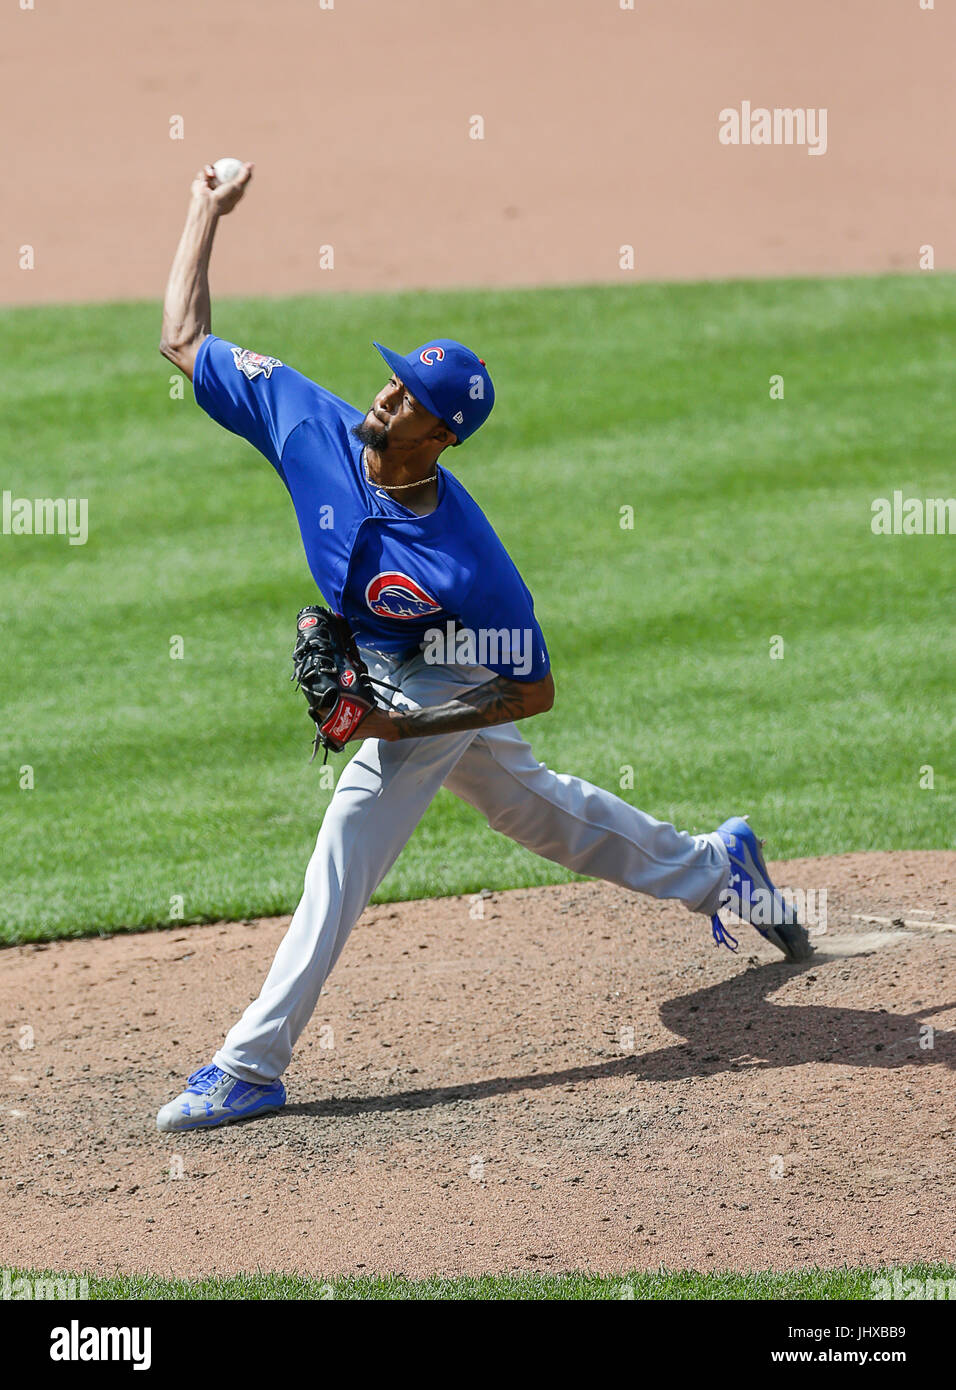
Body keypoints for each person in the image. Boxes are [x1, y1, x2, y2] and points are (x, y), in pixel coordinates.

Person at [155, 163, 812, 1132]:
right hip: (392, 662)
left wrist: (408, 717)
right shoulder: (307, 421)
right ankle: (722, 869)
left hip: (448, 667)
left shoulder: (471, 566)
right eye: (394, 377)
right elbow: (182, 338)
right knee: (536, 812)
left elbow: (534, 686)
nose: (387, 395)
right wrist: (204, 209)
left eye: (412, 396)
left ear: (441, 435)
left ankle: (251, 1062)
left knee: (348, 837)